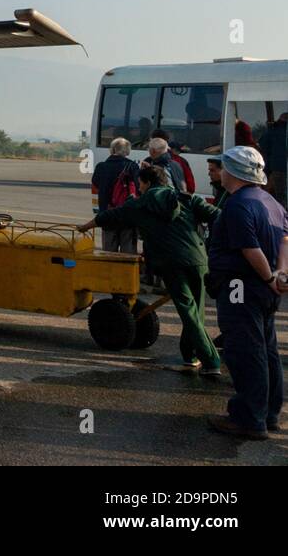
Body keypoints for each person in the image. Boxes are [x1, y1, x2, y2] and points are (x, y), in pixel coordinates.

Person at [79, 164, 221, 376]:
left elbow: (107, 217)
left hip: (171, 264)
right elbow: (218, 216)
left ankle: (211, 361)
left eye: (141, 183)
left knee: (188, 311)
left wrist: (84, 227)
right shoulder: (187, 198)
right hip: (199, 260)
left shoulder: (138, 205)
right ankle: (190, 355)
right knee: (195, 311)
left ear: (145, 183)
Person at [206, 146, 288, 439]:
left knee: (244, 351)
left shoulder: (238, 203)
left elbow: (249, 248)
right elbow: (285, 241)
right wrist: (280, 275)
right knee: (266, 351)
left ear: (233, 172)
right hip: (265, 290)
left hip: (241, 286)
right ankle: (268, 414)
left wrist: (268, 276)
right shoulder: (271, 202)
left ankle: (248, 418)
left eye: (224, 167)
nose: (220, 172)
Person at [90, 137, 141, 253]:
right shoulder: (132, 166)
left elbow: (96, 185)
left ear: (112, 150)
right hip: (127, 215)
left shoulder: (101, 167)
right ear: (127, 151)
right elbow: (139, 188)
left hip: (107, 215)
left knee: (108, 252)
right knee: (128, 252)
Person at [259, 114, 288, 207]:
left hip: (278, 169)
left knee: (281, 197)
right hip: (279, 167)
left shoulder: (273, 130)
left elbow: (263, 144)